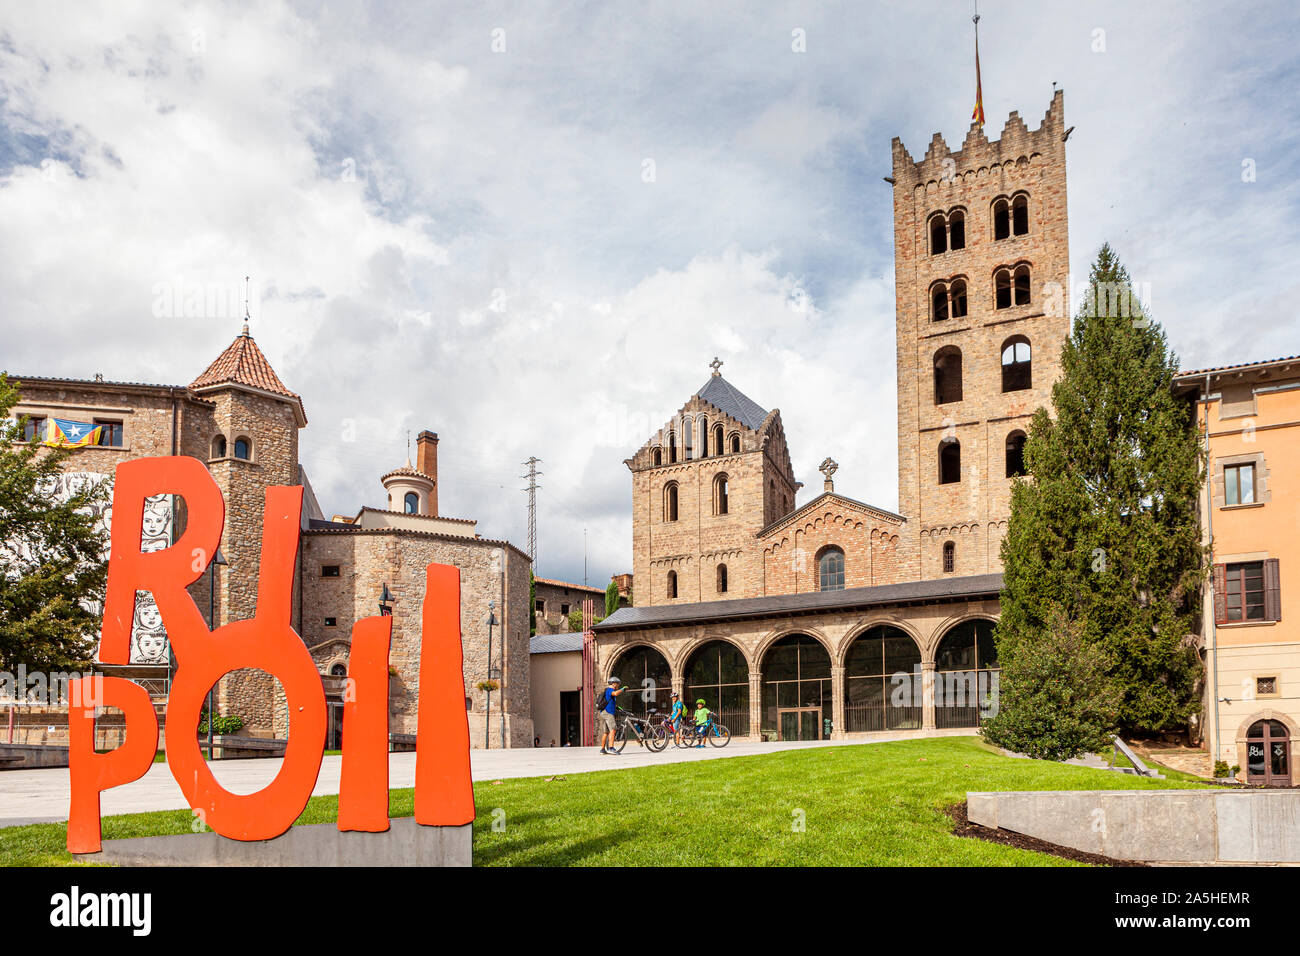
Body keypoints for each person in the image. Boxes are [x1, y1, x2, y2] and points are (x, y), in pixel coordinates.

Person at [597, 676, 626, 754]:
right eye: (618, 684)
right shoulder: (610, 689)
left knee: (606, 732)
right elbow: (615, 694)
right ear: (613, 684)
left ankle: (602, 749)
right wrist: (622, 689)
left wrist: (616, 707)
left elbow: (610, 701)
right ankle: (611, 748)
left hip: (604, 712)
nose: (618, 686)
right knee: (613, 729)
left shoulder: (608, 691)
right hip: (608, 713)